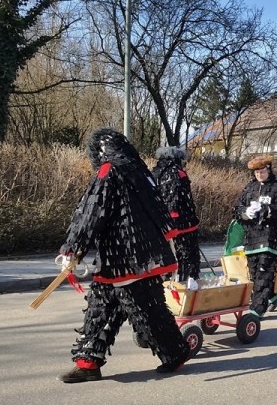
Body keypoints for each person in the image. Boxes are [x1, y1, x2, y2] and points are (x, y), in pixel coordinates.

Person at [57, 128, 190, 383]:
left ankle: (175, 352)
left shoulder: (110, 171)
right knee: (102, 307)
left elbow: (93, 212)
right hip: (127, 258)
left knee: (147, 312)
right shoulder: (141, 173)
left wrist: (72, 247)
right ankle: (88, 362)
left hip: (129, 259)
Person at [233, 155, 277, 316]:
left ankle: (257, 310)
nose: (259, 174)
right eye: (256, 172)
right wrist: (245, 213)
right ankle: (272, 295)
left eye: (262, 171)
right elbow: (236, 208)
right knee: (254, 274)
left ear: (268, 169)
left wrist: (267, 210)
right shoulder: (249, 188)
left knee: (263, 271)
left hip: (271, 237)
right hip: (251, 237)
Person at [152, 146, 201, 282]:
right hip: (183, 225)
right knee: (187, 257)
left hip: (161, 225)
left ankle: (167, 285)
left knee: (166, 258)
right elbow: (175, 198)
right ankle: (186, 283)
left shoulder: (155, 173)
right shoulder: (177, 173)